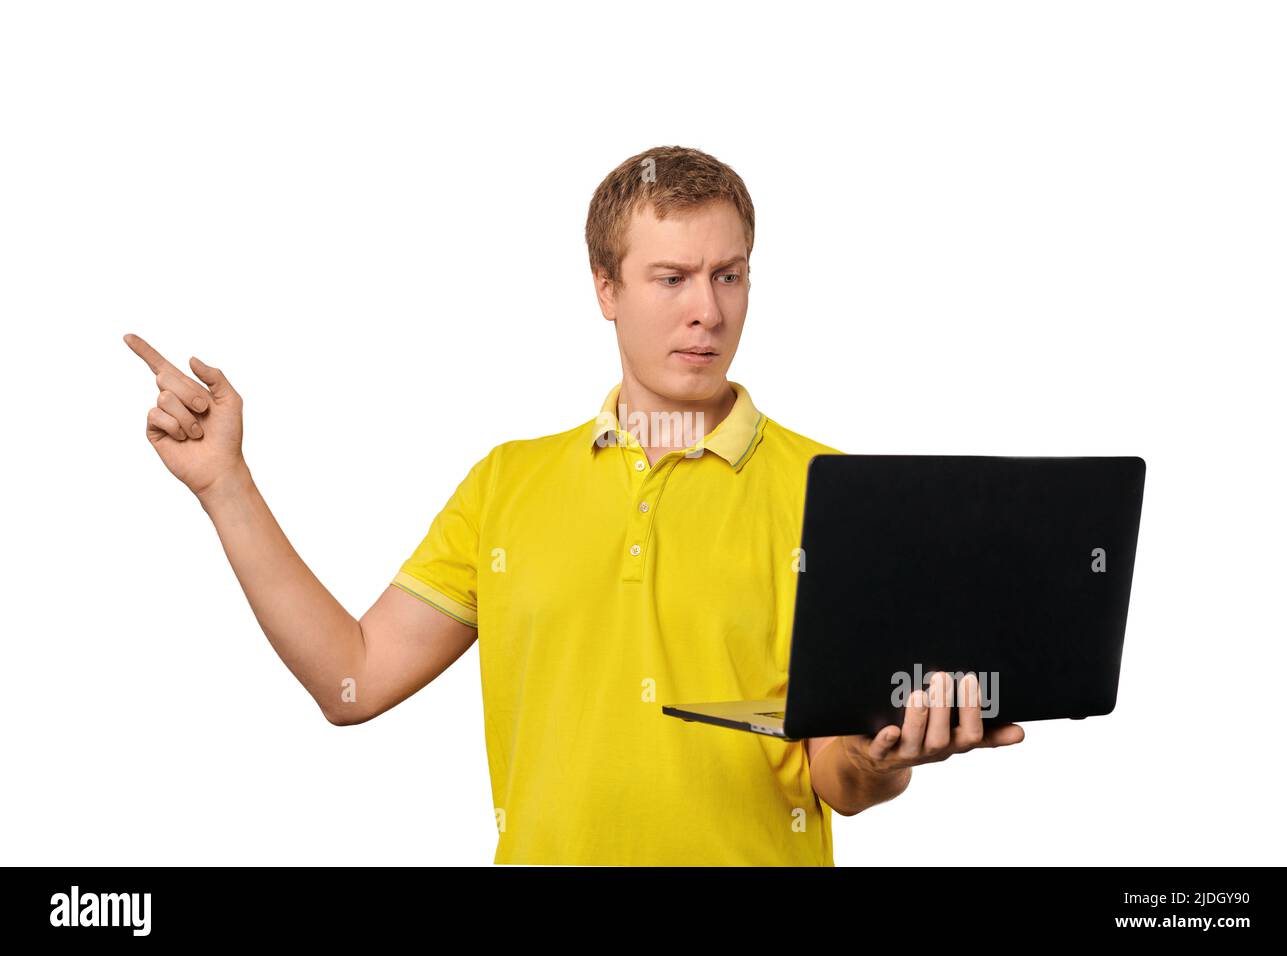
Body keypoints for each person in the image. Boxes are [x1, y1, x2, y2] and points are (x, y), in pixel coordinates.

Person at [124, 145, 1024, 866]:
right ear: (606, 287)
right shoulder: (508, 484)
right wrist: (225, 485)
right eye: (671, 278)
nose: (706, 310)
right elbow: (350, 679)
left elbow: (838, 772)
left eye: (730, 275)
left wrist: (885, 759)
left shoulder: (834, 492)